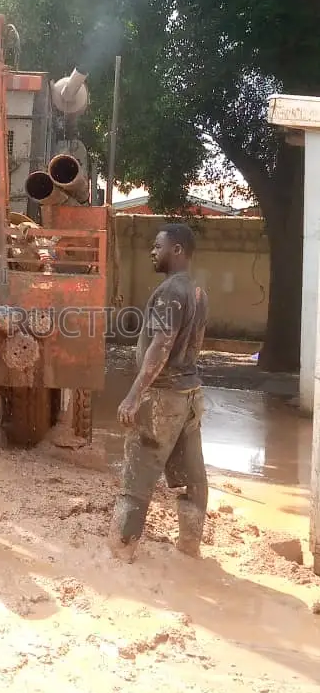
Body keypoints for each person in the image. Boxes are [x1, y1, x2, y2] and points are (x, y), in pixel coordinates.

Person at [109, 223, 209, 563]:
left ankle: (120, 555)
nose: (152, 251)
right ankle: (189, 551)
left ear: (176, 250)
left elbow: (161, 345)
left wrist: (135, 394)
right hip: (190, 396)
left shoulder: (170, 292)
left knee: (136, 478)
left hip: (163, 399)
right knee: (191, 479)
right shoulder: (197, 291)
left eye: (158, 245)